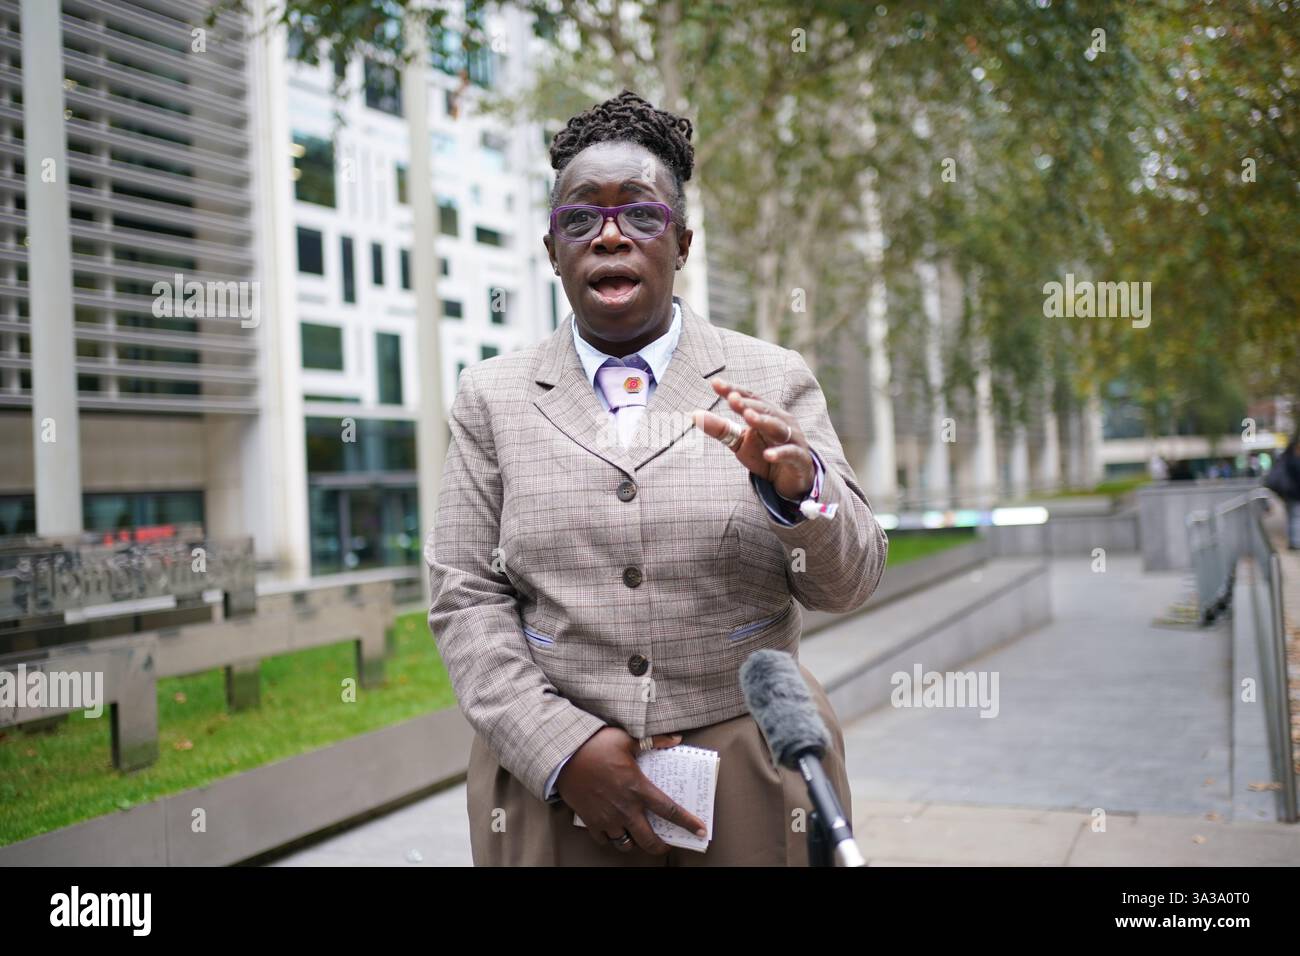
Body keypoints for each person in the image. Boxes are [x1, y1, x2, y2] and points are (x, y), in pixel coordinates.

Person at [424, 90, 889, 866]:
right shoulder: (491, 397)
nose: (610, 236)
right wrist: (562, 749)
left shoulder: (771, 378)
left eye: (642, 215)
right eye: (581, 218)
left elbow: (847, 585)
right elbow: (464, 595)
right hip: (554, 792)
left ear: (682, 244)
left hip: (751, 771)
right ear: (551, 248)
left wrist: (799, 494)